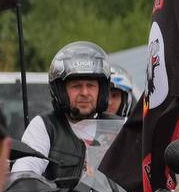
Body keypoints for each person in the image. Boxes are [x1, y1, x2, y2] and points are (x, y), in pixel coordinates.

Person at [13, 41, 117, 181]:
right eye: (76, 86)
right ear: (61, 91)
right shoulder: (46, 126)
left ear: (101, 90)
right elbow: (23, 175)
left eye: (91, 85)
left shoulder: (118, 128)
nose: (85, 92)